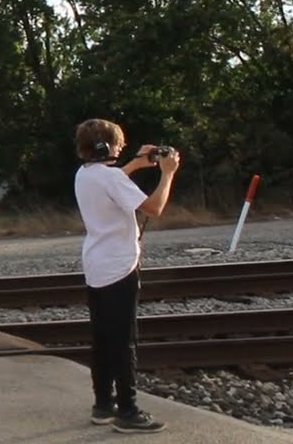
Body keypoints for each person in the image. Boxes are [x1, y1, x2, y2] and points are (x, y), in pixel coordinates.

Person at [73, 118, 180, 434]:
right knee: (124, 342)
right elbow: (154, 208)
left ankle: (103, 405)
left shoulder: (85, 175)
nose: (121, 148)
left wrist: (135, 163)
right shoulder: (111, 179)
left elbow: (112, 180)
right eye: (118, 145)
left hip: (95, 265)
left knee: (103, 339)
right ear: (104, 147)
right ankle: (129, 411)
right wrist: (166, 174)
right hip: (120, 267)